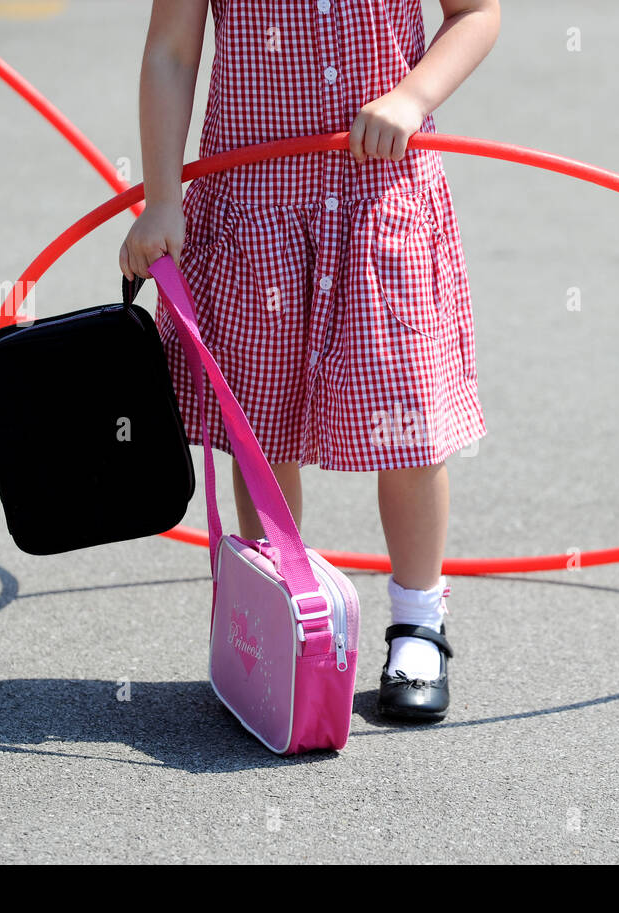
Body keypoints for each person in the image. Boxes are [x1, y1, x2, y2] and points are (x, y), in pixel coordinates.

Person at [120, 0, 500, 722]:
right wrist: (162, 198)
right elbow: (170, 52)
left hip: (379, 203)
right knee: (261, 429)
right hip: (258, 213)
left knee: (407, 419)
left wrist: (412, 96)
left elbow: (476, 12)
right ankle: (283, 610)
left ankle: (419, 619)